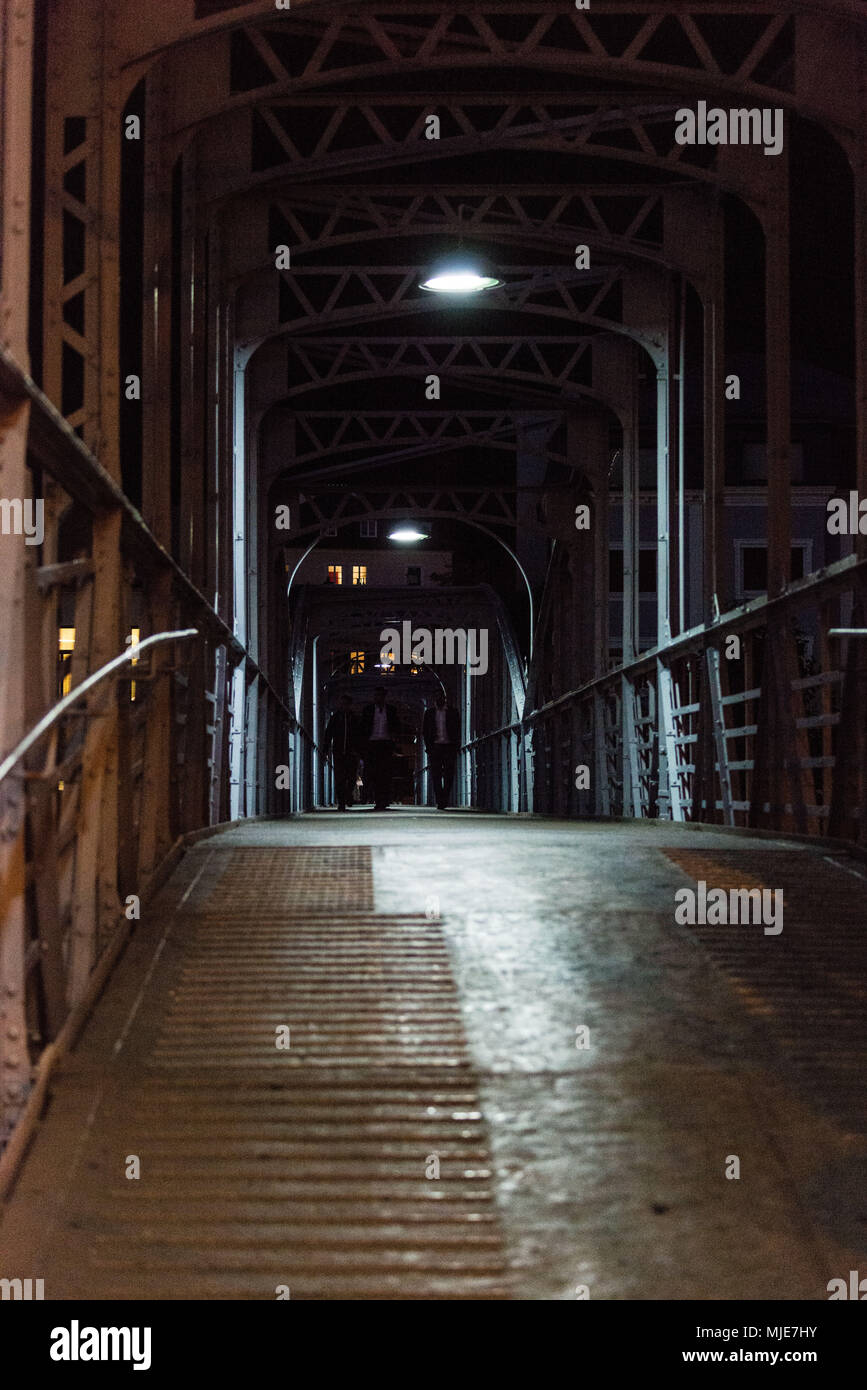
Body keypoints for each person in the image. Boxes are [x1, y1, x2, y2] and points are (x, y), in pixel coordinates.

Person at [360, 686, 400, 810]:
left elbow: (397, 726)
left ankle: (383, 800)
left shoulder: (391, 710)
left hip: (386, 744)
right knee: (374, 774)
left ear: (384, 697)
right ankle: (379, 800)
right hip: (372, 744)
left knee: (385, 774)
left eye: (381, 695)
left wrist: (394, 740)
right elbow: (362, 729)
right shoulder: (368, 710)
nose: (378, 698)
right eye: (376, 695)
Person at [423, 690, 460, 810]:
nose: (439, 699)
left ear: (444, 698)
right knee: (436, 775)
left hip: (449, 746)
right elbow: (425, 731)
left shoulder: (453, 712)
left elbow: (458, 729)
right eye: (437, 697)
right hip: (435, 747)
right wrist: (428, 747)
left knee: (449, 774)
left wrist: (456, 746)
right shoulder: (429, 713)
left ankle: (444, 798)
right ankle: (441, 801)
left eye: (441, 697)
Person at [323, 694, 358, 812]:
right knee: (340, 778)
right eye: (342, 704)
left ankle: (348, 795)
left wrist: (359, 751)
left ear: (349, 705)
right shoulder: (335, 718)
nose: (344, 706)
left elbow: (361, 735)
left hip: (352, 752)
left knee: (352, 777)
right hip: (338, 752)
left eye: (346, 704)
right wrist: (325, 750)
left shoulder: (354, 718)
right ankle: (342, 803)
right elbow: (328, 734)